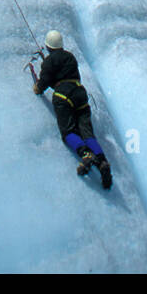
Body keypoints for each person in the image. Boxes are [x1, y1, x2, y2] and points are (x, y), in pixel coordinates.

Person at [33, 31, 112, 189]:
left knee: (69, 132)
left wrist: (38, 88)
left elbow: (45, 81)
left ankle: (85, 154)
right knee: (87, 132)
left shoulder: (49, 61)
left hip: (63, 94)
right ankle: (102, 160)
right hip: (80, 93)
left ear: (48, 46)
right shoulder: (70, 57)